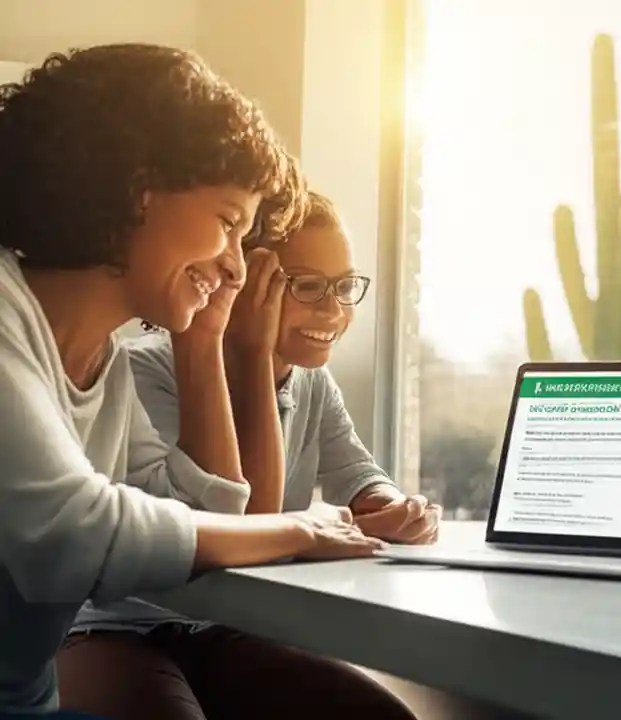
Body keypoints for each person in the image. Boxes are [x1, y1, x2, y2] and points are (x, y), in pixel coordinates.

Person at [0, 44, 391, 716]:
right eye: (228, 223)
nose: (236, 267)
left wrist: (203, 337)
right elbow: (77, 535)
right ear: (138, 191)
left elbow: (195, 515)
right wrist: (299, 528)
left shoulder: (105, 366)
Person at [56, 190, 434, 719]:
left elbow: (356, 471)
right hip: (112, 626)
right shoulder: (148, 371)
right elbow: (244, 523)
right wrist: (253, 351)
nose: (333, 309)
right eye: (306, 286)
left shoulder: (312, 384)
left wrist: (391, 505)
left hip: (222, 626)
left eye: (345, 286)